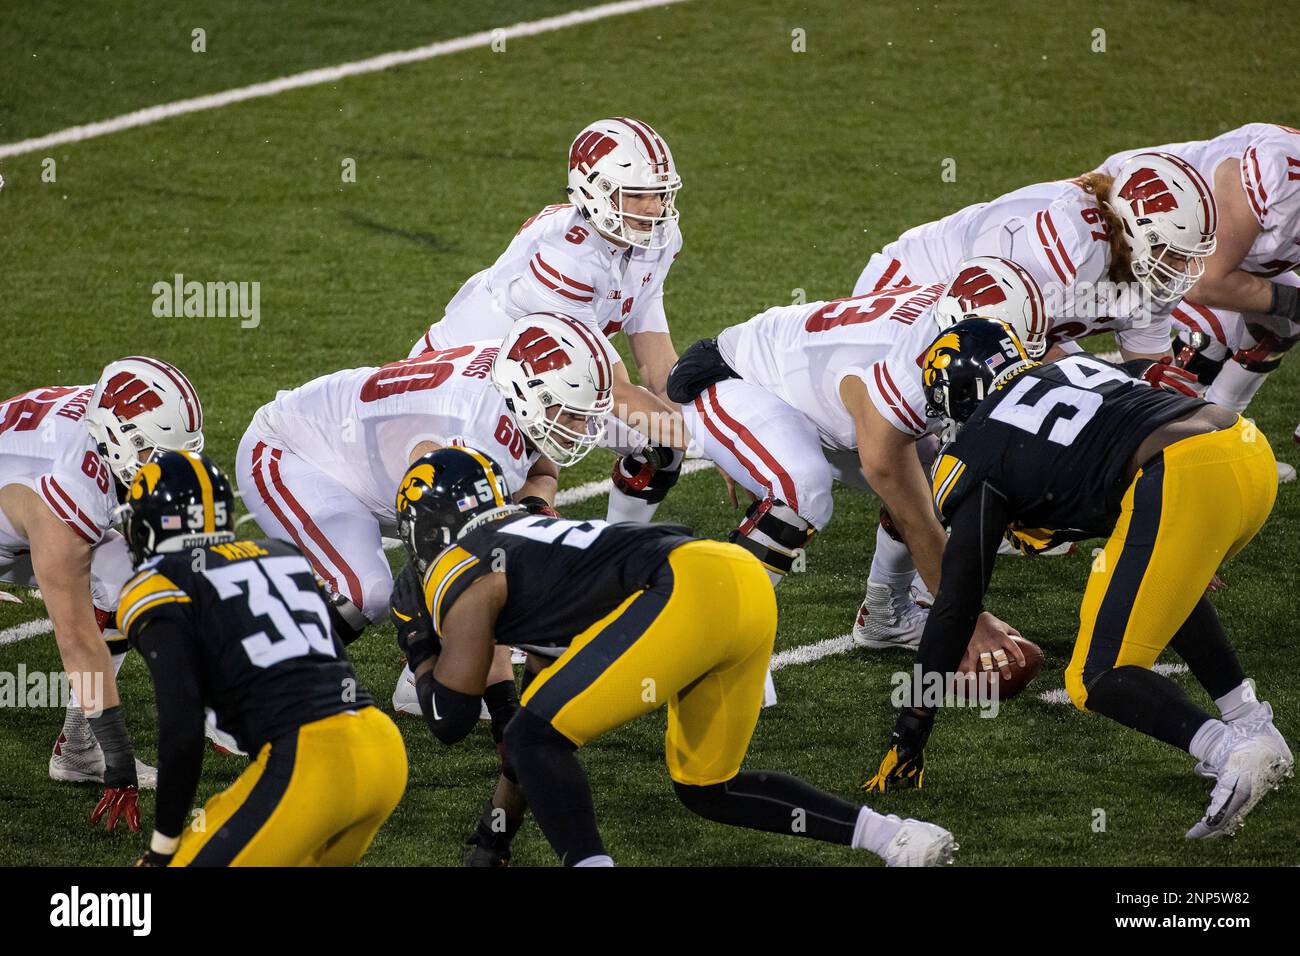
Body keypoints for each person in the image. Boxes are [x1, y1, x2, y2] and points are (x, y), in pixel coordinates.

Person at [395, 447, 958, 866]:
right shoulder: (532, 533)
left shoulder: (458, 566)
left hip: (682, 592)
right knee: (708, 785)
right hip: (738, 578)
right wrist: (493, 842)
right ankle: (896, 838)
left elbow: (450, 718)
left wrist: (418, 640)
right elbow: (532, 735)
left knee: (534, 735)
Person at [866, 319, 1292, 839]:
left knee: (1094, 675)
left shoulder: (976, 449)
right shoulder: (1070, 366)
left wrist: (911, 731)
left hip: (1183, 473)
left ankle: (1227, 748)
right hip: (1246, 451)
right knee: (1144, 588)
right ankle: (1252, 725)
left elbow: (956, 604)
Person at [668, 258, 1043, 653]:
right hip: (734, 378)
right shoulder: (906, 373)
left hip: (814, 395)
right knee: (805, 491)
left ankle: (887, 616)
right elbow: (912, 515)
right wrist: (968, 623)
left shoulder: (952, 327)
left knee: (946, 482)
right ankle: (712, 640)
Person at [120, 451, 406, 866]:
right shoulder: (280, 555)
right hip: (381, 752)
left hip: (310, 767)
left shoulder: (158, 584)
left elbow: (182, 728)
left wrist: (162, 845)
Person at [408, 118, 690, 524]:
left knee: (660, 443)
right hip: (461, 386)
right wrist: (725, 443)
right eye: (639, 194)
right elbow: (612, 391)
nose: (655, 208)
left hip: (535, 380)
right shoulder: (567, 254)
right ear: (597, 192)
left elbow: (658, 367)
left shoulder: (654, 241)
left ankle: (616, 549)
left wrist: (710, 428)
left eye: (660, 194)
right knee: (478, 508)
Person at [0, 356, 204, 826]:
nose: (171, 469)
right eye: (158, 454)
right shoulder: (67, 492)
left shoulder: (104, 417)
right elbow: (76, 643)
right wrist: (120, 764)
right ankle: (80, 750)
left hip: (21, 503)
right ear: (119, 438)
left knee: (138, 569)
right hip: (24, 524)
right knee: (119, 585)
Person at [1099, 124, 1300, 481]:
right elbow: (1206, 284)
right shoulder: (1281, 170)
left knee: (1285, 323)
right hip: (1148, 228)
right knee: (1210, 333)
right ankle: (1147, 453)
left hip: (1210, 250)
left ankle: (1221, 436)